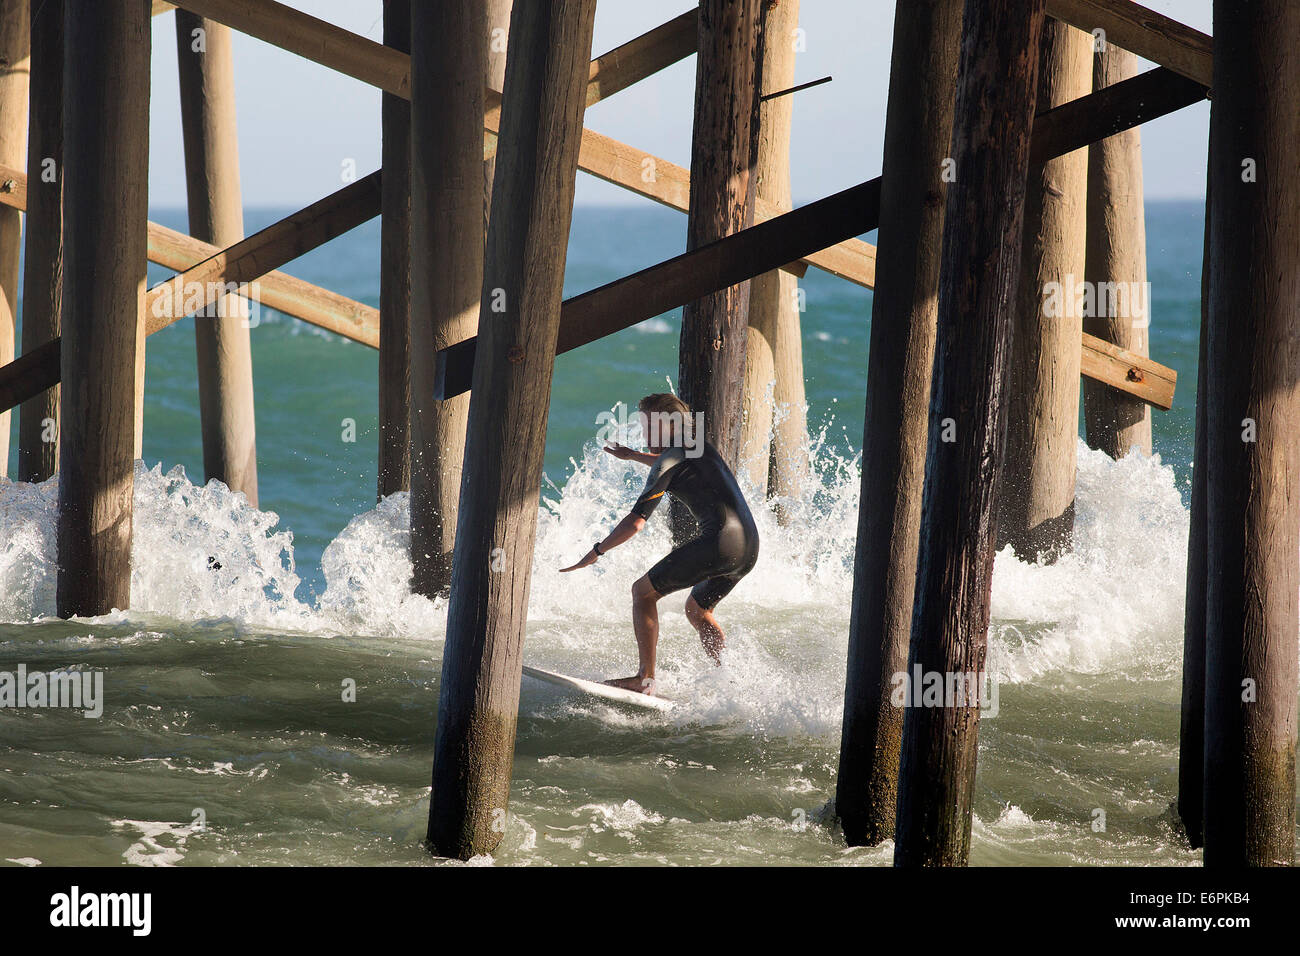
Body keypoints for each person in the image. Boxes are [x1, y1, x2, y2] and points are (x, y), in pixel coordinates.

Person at [560, 394, 760, 695]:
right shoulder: (696, 447)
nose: (644, 432)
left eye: (649, 425)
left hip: (719, 543)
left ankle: (644, 678)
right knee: (697, 610)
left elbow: (636, 522)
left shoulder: (668, 460)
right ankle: (729, 679)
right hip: (747, 548)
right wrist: (633, 456)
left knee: (642, 592)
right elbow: (670, 462)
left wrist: (597, 551)